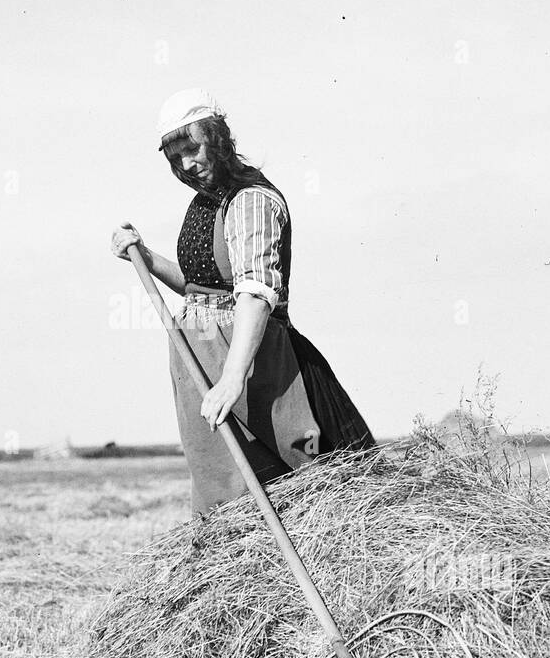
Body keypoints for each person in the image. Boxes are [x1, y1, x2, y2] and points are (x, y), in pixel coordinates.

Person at [111, 88, 375, 514]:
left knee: (273, 480)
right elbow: (200, 286)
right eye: (173, 157)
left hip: (249, 358)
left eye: (191, 149)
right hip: (198, 352)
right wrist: (144, 255)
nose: (185, 164)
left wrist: (233, 378)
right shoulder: (205, 202)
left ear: (216, 135)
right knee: (219, 486)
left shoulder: (251, 200)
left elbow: (254, 294)